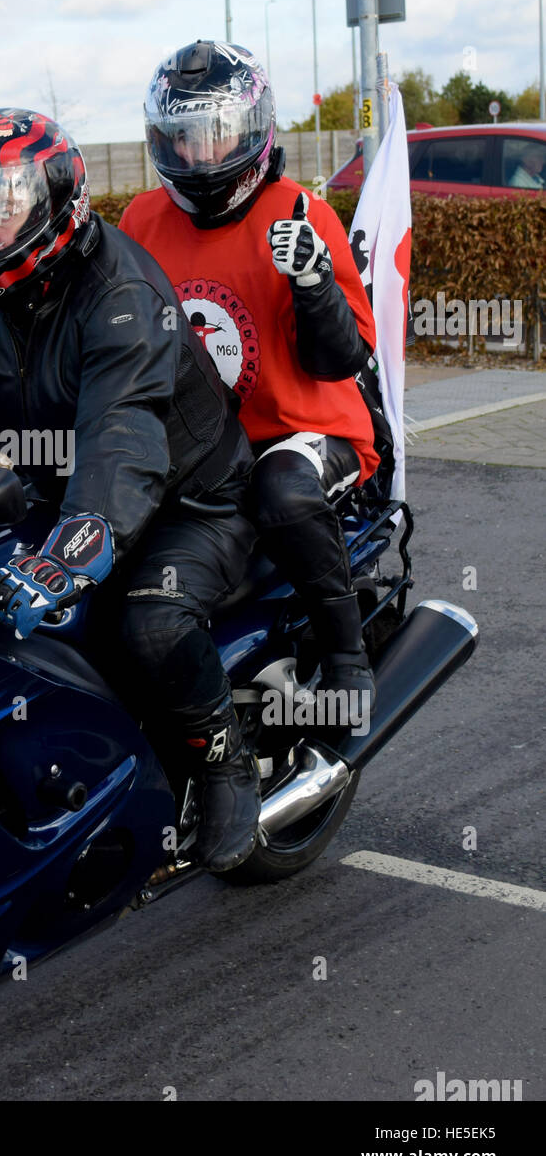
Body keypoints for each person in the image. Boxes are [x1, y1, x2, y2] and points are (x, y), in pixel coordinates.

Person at [0, 108, 261, 870]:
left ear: (57, 200)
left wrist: (68, 555)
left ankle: (224, 762)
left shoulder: (117, 291)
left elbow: (122, 447)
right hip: (59, 493)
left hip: (191, 500)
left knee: (146, 623)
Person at [119, 41, 379, 722]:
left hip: (307, 429)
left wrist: (314, 281)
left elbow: (341, 362)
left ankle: (345, 652)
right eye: (182, 137)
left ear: (253, 130)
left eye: (215, 135)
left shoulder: (301, 213)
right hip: (201, 447)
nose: (200, 156)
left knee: (283, 490)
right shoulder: (141, 221)